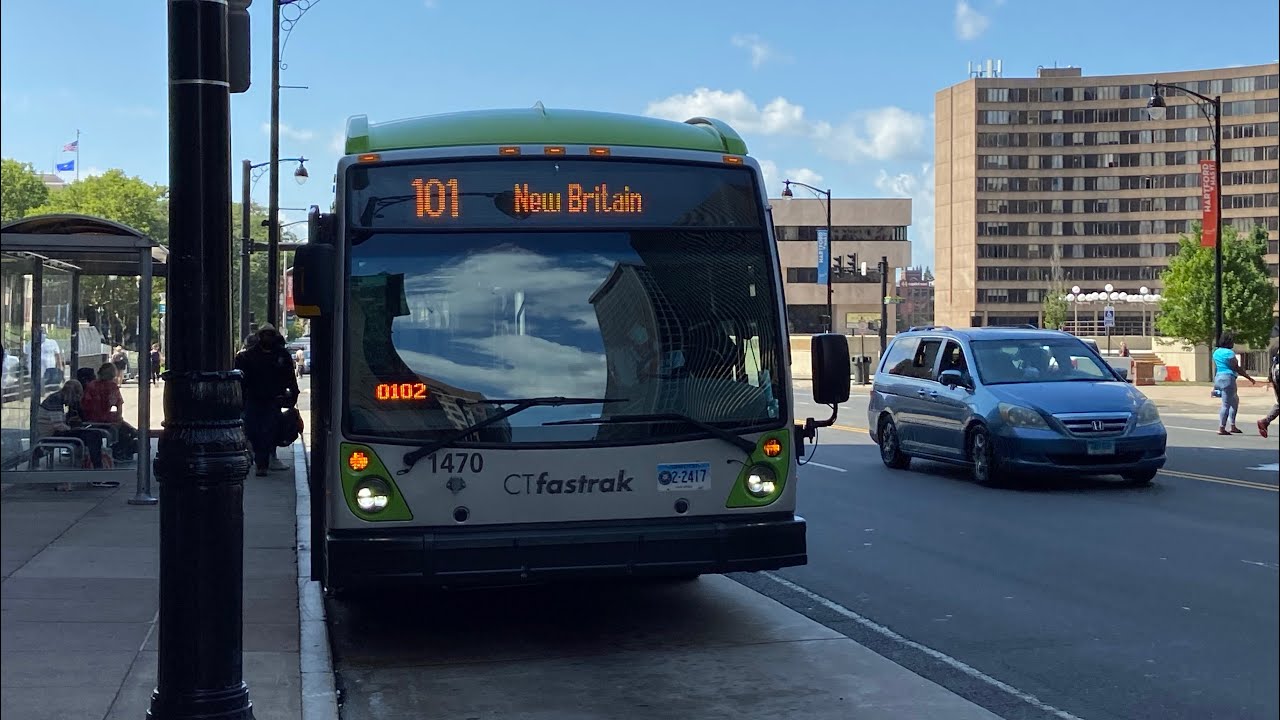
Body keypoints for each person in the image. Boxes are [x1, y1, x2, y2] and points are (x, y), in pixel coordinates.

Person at [235, 324, 299, 476]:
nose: (268, 338)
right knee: (252, 431)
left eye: (271, 335)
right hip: (253, 400)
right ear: (260, 336)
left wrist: (292, 395)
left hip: (272, 401)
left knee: (267, 432)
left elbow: (290, 377)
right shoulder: (249, 356)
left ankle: (262, 464)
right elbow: (242, 380)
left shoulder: (281, 355)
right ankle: (258, 458)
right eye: (265, 335)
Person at [35, 379, 106, 469]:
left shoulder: (58, 398)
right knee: (93, 436)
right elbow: (58, 426)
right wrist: (73, 429)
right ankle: (97, 468)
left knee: (94, 434)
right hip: (50, 435)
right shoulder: (55, 400)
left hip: (54, 432)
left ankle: (96, 466)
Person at [81, 362, 140, 460]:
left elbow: (85, 405)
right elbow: (118, 403)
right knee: (130, 431)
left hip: (91, 418)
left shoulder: (91, 386)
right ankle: (121, 450)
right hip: (105, 419)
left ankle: (120, 450)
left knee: (125, 429)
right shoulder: (112, 386)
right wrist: (119, 417)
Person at [1211, 331, 1256, 436]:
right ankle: (1221, 427)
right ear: (1228, 342)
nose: (1233, 344)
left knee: (1234, 401)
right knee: (1226, 404)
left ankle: (1232, 425)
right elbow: (1236, 367)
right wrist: (1248, 377)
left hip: (1218, 377)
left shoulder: (1216, 352)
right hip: (1228, 378)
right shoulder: (1229, 353)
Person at [1258, 344, 1280, 439]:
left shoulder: (1275, 345)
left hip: (1275, 372)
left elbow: (1272, 361)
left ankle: (1265, 422)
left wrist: (1270, 377)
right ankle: (1265, 421)